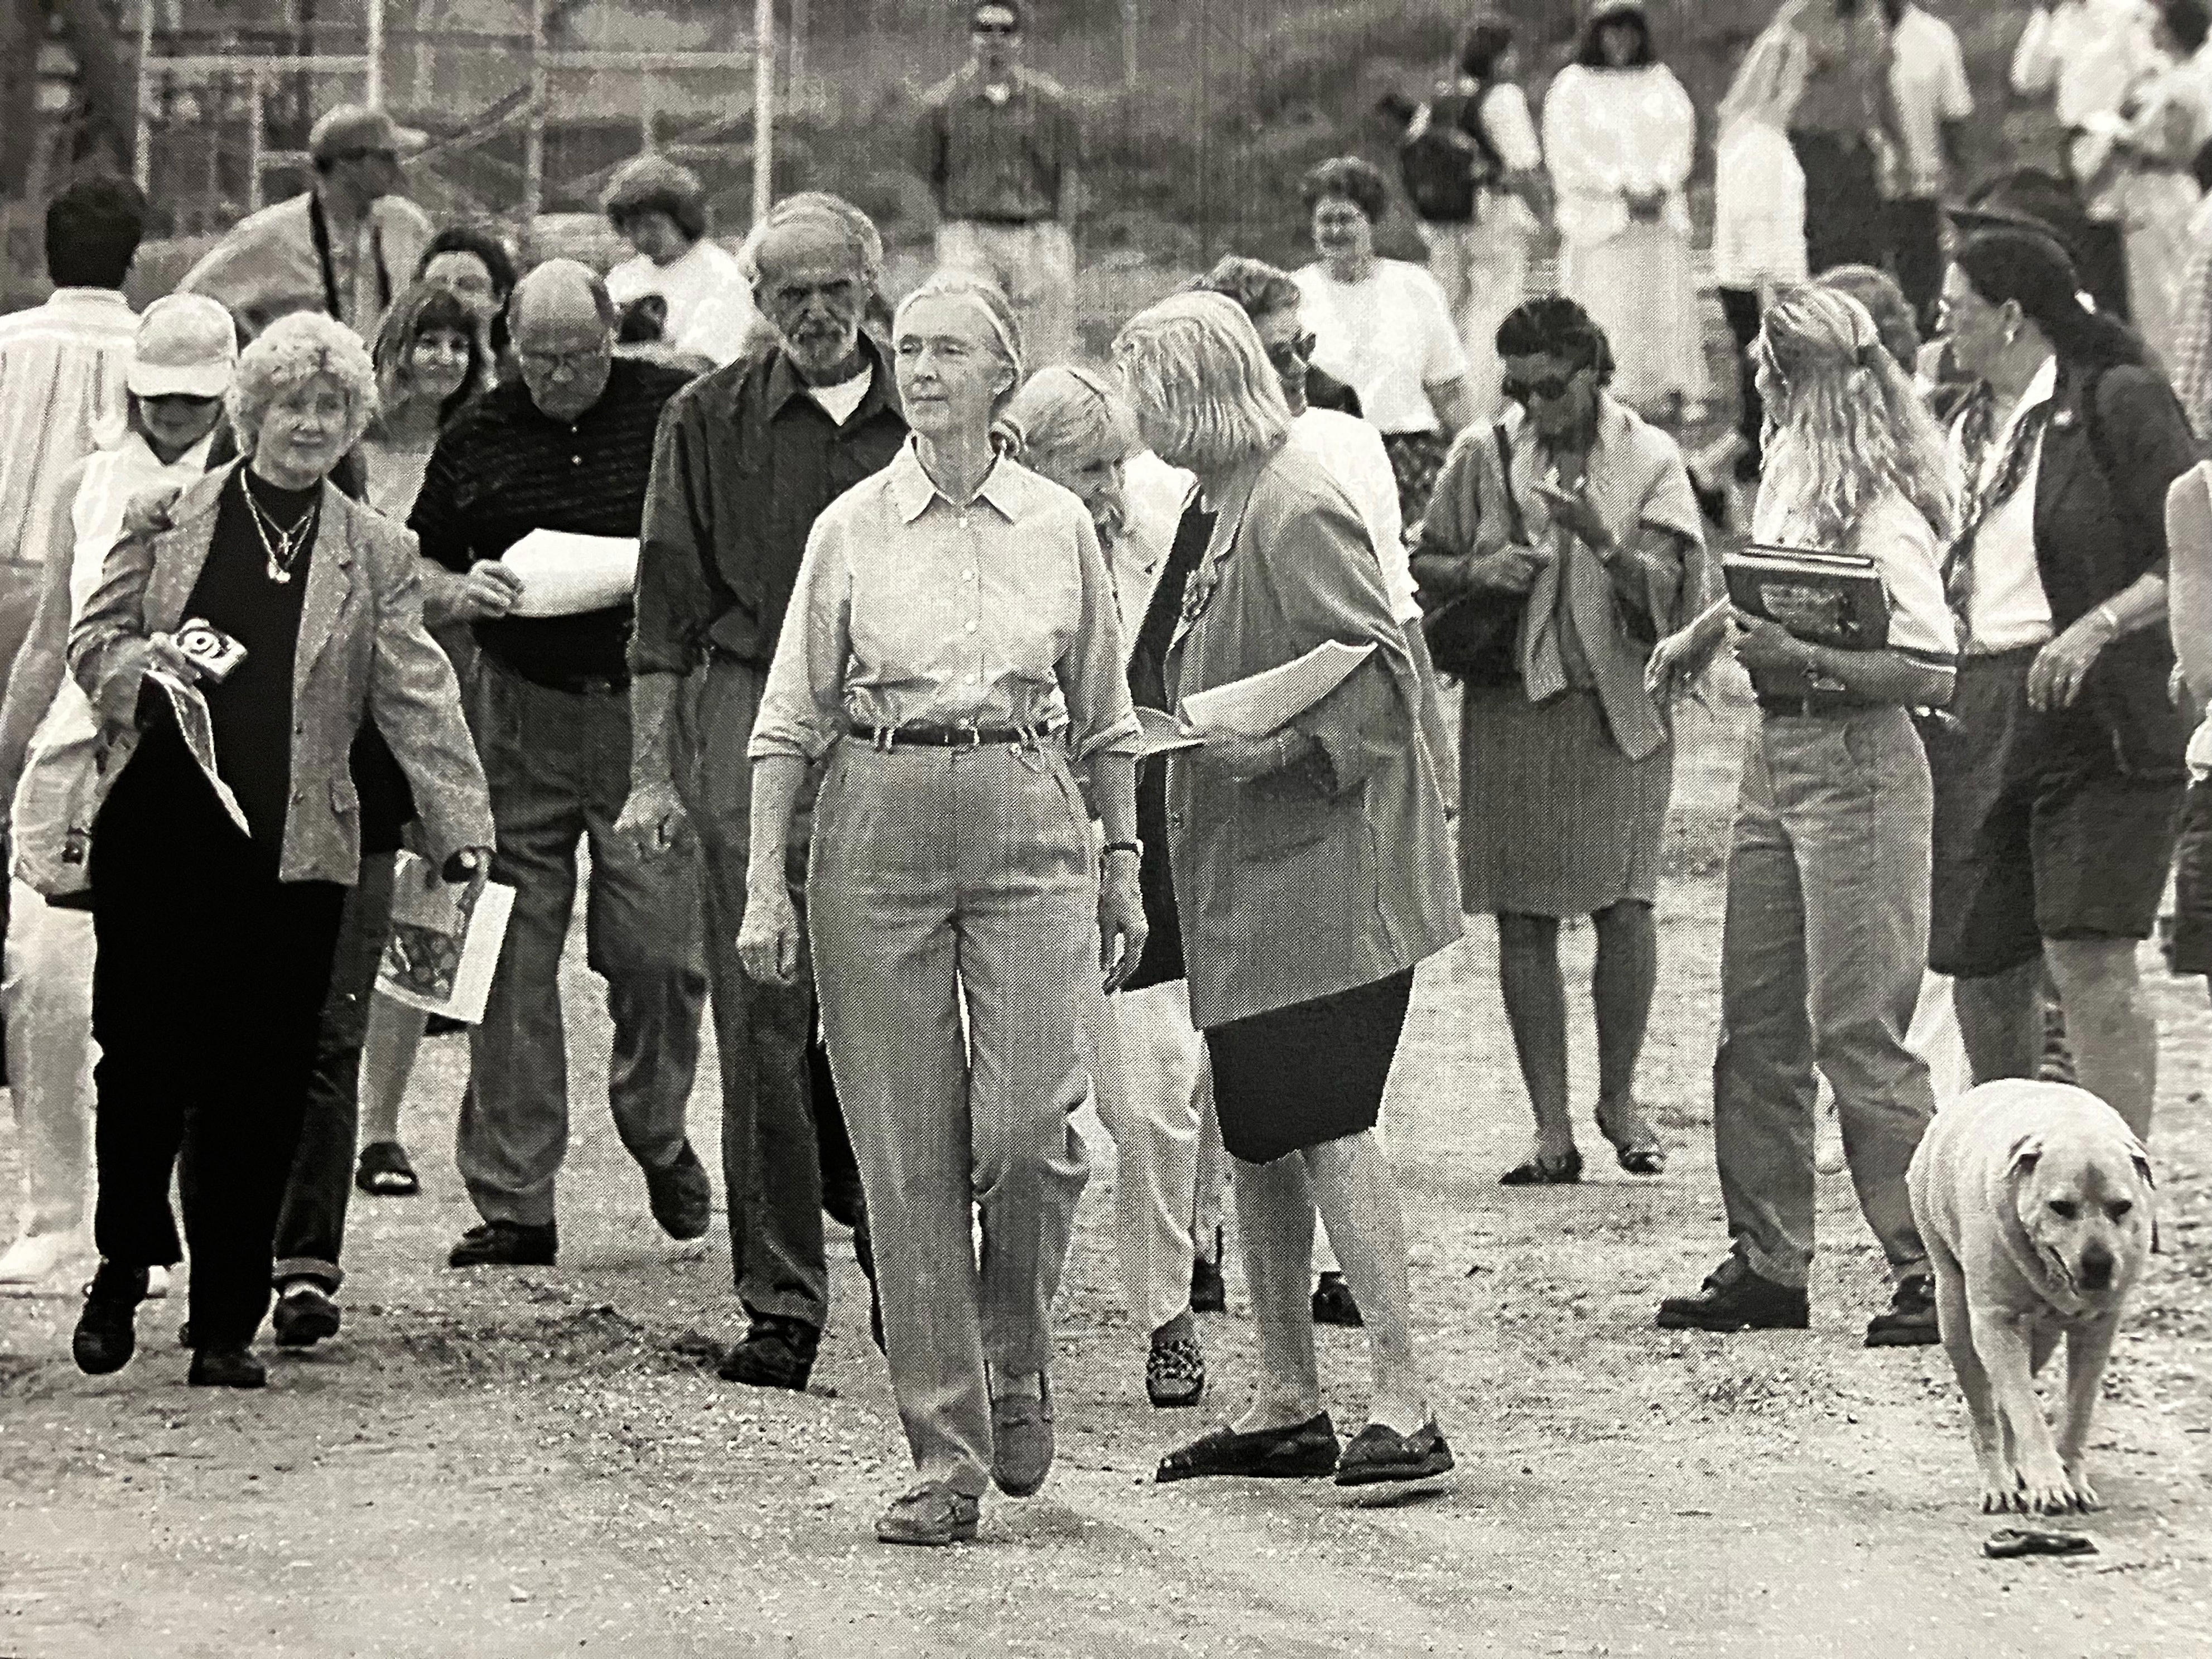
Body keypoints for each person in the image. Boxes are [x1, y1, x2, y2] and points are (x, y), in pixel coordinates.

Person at [738, 272, 1145, 1546]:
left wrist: (1121, 855)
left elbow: (1107, 714)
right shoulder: (850, 526)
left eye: (947, 349)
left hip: (1027, 810)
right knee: (904, 1156)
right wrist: (765, 879)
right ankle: (944, 1449)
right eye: (905, 347)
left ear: (1000, 376)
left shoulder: (1057, 524)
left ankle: (1017, 1347)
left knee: (1027, 1128)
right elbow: (785, 719)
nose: (917, 368)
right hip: (876, 813)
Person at [63, 311, 493, 1388]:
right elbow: (91, 638)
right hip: (161, 831)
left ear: (354, 421)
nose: (309, 422)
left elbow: (418, 695)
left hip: (297, 852)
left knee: (262, 1082)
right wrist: (137, 669)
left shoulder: (377, 550)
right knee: (145, 1065)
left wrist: (460, 827)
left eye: (330, 406)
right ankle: (122, 1264)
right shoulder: (168, 516)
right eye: (289, 403)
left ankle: (224, 1322)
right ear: (248, 412)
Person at [1113, 292, 1462, 1494]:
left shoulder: (1293, 497)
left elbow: (1384, 674)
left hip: (1322, 867)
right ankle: (1286, 1395)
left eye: (1151, 398)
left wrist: (1279, 750)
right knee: (1258, 1129)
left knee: (1321, 1117)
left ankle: (1405, 1400)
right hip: (1245, 873)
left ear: (1195, 392)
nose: (1141, 424)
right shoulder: (1223, 501)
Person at [623, 195, 907, 1392]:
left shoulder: (936, 407)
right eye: (788, 293)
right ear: (757, 302)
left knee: (905, 1010)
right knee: (762, 1010)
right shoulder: (704, 419)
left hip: (903, 712)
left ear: (869, 286)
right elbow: (662, 615)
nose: (815, 313)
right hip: (751, 716)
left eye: (833, 288)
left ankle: (914, 1272)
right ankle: (782, 1299)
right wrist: (652, 772)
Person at [1646, 286, 1956, 1345]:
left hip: (1859, 759)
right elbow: (1775, 588)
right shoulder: (1792, 471)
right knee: (1760, 1020)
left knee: (1858, 1025)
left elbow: (1932, 664)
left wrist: (1809, 660)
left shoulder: (1882, 508)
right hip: (1778, 754)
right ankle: (1770, 1256)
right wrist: (1706, 633)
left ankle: (1929, 1261)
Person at [407, 261, 712, 1270]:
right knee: (503, 953)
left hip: (647, 711)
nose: (556, 376)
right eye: (536, 358)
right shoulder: (477, 435)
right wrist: (461, 588)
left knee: (663, 948)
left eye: (576, 356)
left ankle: (658, 1125)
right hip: (518, 710)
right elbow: (413, 562)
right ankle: (515, 1198)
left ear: (611, 337)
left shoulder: (672, 407)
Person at [1414, 296, 1704, 1187]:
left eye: (1548, 388)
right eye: (1517, 388)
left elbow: (1677, 597)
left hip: (1619, 708)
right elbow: (1422, 562)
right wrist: (1480, 569)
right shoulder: (1484, 452)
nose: (1532, 406)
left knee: (1625, 905)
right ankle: (1549, 1127)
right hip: (1516, 709)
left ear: (1591, 372)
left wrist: (1601, 542)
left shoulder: (1651, 458)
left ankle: (1619, 1099)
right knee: (1524, 917)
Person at [1924, 228, 2196, 1144]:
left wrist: (2099, 622)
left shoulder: (2118, 400)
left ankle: (2119, 1176)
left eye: (1955, 305)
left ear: (2010, 316)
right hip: (1982, 701)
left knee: (2089, 953)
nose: (1940, 321)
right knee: (1982, 960)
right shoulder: (1963, 421)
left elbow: (2192, 551)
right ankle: (2010, 1168)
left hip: (2101, 710)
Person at [994, 363, 1215, 1408]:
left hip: (1140, 839)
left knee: (1155, 1091)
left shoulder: (1155, 546)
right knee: (1025, 1115)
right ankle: (1006, 1328)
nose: (1109, 487)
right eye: (1087, 467)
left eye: (1118, 464)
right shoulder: (992, 551)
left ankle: (1168, 1310)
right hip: (1016, 840)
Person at [0, 295, 232, 1290]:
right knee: (46, 981)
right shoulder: (88, 484)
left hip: (205, 761)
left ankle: (167, 1226)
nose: (174, 415)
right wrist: (7, 753)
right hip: (76, 757)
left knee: (177, 1006)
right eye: (160, 397)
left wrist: (172, 672)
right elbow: (52, 633)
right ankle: (57, 1213)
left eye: (194, 398)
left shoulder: (257, 489)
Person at [0, 177, 145, 681]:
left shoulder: (6, 342)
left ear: (48, 254)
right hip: (110, 599)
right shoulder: (159, 355)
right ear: (133, 260)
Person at [1542, 2, 1708, 420]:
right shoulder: (1573, 86)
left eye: (1628, 33)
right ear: (1596, 36)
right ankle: (1604, 394)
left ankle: (1673, 390)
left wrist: (1660, 184)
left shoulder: (1660, 81)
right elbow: (1567, 152)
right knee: (1605, 309)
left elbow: (1680, 138)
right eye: (1611, 33)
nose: (1620, 43)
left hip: (1655, 219)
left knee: (1664, 306)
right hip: (1602, 224)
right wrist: (1619, 189)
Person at [1291, 157, 1475, 527]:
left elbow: (1448, 389)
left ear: (1371, 220)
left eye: (1346, 219)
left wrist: (1474, 462)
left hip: (1411, 460)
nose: (1335, 231)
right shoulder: (1293, 293)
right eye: (1325, 221)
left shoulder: (1414, 286)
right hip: (1326, 465)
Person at [915, 0, 1082, 368]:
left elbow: (1066, 172)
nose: (995, 40)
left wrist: (1060, 234)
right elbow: (925, 177)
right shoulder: (942, 103)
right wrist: (945, 233)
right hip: (970, 233)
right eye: (985, 30)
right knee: (970, 338)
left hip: (1034, 231)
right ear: (971, 38)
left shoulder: (1049, 102)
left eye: (1005, 31)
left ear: (1019, 39)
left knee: (1045, 350)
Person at [178, 105, 432, 341]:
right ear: (346, 164)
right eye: (386, 157)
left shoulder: (408, 224)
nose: (398, 168)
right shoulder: (273, 233)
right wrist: (257, 351)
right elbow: (188, 301)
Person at [1402, 13, 1548, 408]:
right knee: (1495, 306)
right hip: (1493, 213)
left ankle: (1435, 400)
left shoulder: (1441, 97)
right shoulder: (1501, 97)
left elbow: (1414, 149)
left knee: (1448, 309)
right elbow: (1522, 165)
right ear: (1500, 56)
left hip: (1444, 220)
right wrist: (1543, 212)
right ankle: (1482, 401)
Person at [2011, 0, 2165, 320]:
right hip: (2077, 148)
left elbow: (2150, 76)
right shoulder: (2059, 17)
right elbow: (2027, 80)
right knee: (2093, 255)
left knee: (2131, 256)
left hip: (2118, 146)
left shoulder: (2125, 10)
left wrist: (2120, 129)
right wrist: (2045, 15)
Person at [1711, 18, 1813, 501]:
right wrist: (1772, 300)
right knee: (1762, 395)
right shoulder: (1758, 145)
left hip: (1768, 283)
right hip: (1761, 286)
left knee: (1760, 399)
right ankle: (1720, 474)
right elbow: (1754, 233)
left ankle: (1717, 473)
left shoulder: (1758, 138)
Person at [2095, 0, 2212, 365]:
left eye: (2160, 25)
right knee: (2148, 302)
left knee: (2171, 296)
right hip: (2145, 194)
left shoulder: (2186, 84)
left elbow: (2179, 150)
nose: (2152, 30)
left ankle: (2181, 376)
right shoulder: (2160, 77)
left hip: (2166, 195)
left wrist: (2127, 142)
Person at [1773, 0, 1899, 276]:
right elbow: (1778, 87)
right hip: (1812, 146)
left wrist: (1899, 143)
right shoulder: (1799, 16)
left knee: (1867, 248)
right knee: (1820, 244)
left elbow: (1882, 83)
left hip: (1858, 148)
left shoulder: (1871, 14)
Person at [601, 155, 759, 370]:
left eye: (652, 225)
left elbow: (703, 365)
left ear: (683, 218)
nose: (642, 237)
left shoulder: (721, 276)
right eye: (633, 227)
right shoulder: (622, 276)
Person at [361, 282, 493, 518]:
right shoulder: (356, 438)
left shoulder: (478, 447)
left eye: (458, 346)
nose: (445, 358)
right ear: (398, 351)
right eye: (429, 342)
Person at [1882, 0, 1975, 331]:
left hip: (1916, 193)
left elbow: (1954, 117)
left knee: (1920, 297)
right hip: (1851, 194)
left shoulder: (1935, 37)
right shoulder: (1840, 36)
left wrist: (1959, 195)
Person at [415, 223, 519, 370]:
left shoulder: (522, 375)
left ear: (500, 298)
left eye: (469, 286)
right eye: (437, 285)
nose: (450, 296)